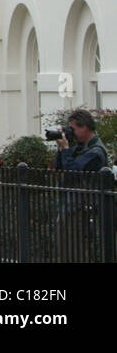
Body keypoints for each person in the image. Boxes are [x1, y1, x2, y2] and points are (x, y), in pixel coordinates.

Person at [51, 109, 110, 261]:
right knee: (63, 253)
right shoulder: (79, 147)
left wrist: (66, 149)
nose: (72, 132)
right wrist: (63, 148)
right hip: (69, 206)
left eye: (74, 129)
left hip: (81, 211)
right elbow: (59, 166)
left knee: (74, 253)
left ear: (85, 127)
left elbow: (73, 172)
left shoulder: (95, 152)